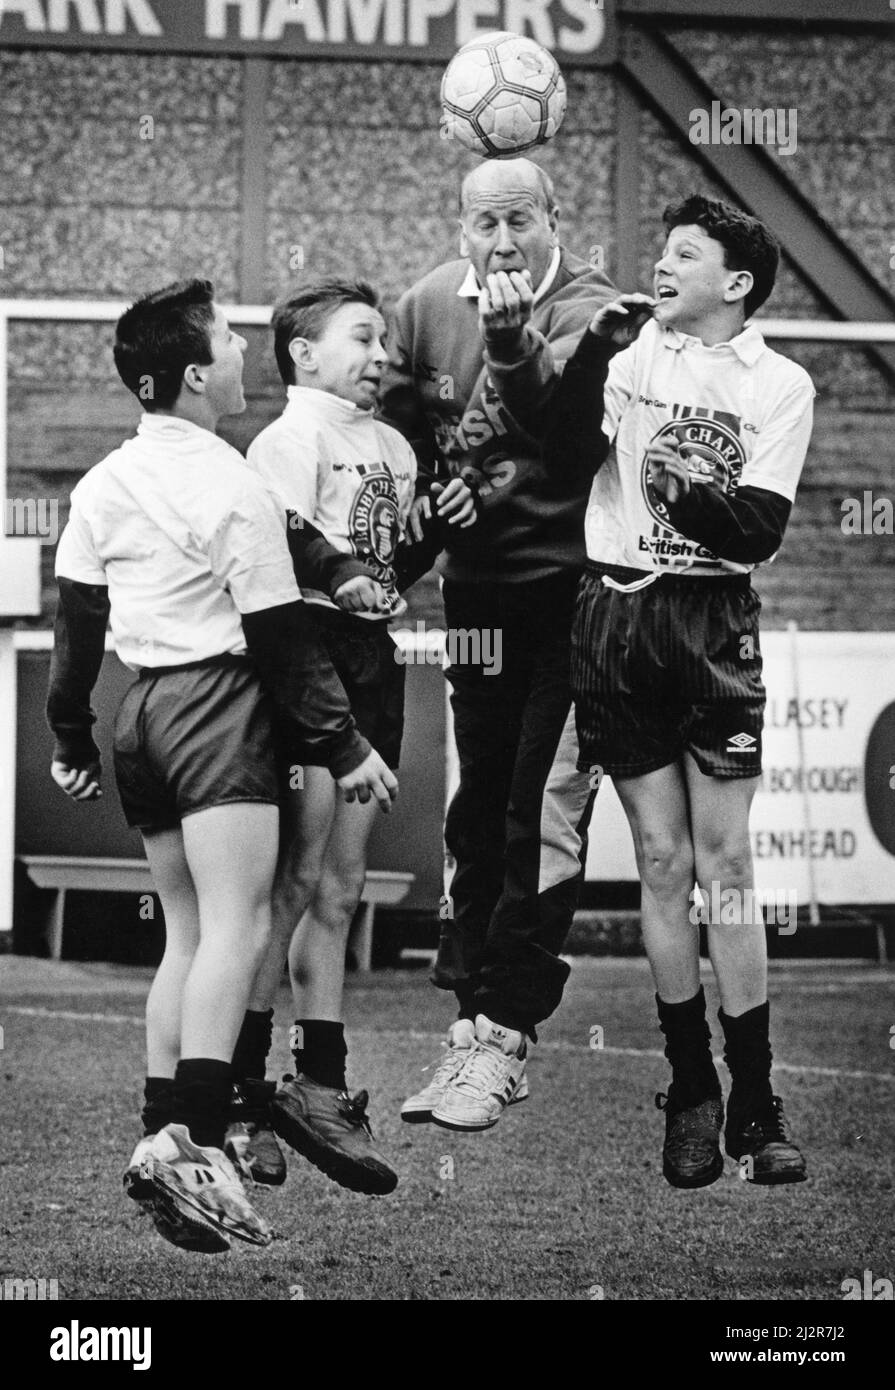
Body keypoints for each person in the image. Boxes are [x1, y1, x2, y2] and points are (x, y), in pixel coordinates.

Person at [46, 279, 396, 1253]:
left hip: (140, 711)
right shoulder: (234, 480)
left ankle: (164, 1131)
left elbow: (77, 623)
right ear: (196, 376)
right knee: (235, 928)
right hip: (216, 707)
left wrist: (71, 736)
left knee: (186, 936)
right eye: (231, 341)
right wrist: (346, 745)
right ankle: (198, 1138)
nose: (248, 351)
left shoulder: (107, 481)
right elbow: (282, 637)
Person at [544, 194, 811, 1187]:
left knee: (724, 861)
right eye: (660, 250)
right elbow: (565, 455)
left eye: (683, 254)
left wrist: (676, 490)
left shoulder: (780, 382)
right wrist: (591, 351)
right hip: (616, 617)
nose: (660, 265)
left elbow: (754, 530)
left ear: (733, 283)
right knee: (660, 861)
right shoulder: (631, 354)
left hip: (711, 620)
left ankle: (758, 1099)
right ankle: (690, 1083)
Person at [380, 157, 617, 1132]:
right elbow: (402, 443)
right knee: (475, 813)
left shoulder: (602, 313)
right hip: (471, 603)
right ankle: (471, 1022)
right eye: (484, 223)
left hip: (572, 600)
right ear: (461, 228)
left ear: (557, 217)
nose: (503, 239)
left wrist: (515, 346)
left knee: (538, 810)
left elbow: (563, 446)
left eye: (520, 217)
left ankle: (510, 1032)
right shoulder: (426, 305)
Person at [237, 277, 478, 1194]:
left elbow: (388, 564)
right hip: (309, 655)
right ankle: (241, 1091)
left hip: (373, 658)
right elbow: (289, 542)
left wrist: (434, 533)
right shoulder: (286, 439)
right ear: (303, 352)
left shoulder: (390, 446)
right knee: (293, 880)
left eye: (383, 343)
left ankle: (320, 1084)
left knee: (341, 886)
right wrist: (345, 582)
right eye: (361, 339)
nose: (381, 357)